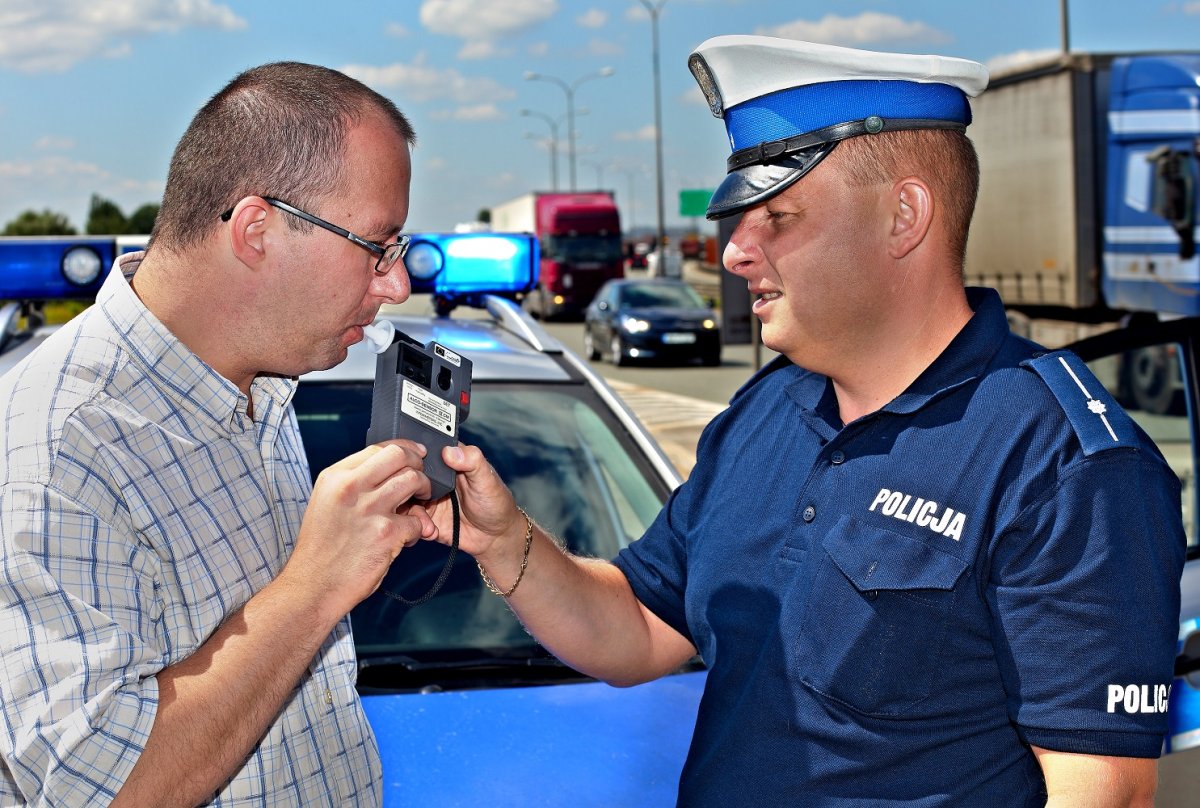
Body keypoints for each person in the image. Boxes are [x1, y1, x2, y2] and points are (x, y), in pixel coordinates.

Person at [428, 36, 1187, 806]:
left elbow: (1103, 793)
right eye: (738, 218)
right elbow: (635, 629)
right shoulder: (768, 409)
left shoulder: (1064, 463)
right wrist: (505, 540)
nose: (733, 253)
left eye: (778, 217)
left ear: (905, 217)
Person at [0, 62, 435, 806]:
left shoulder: (260, 380)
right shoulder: (59, 444)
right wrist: (316, 587)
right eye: (378, 245)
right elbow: (102, 792)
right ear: (257, 230)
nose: (396, 284)